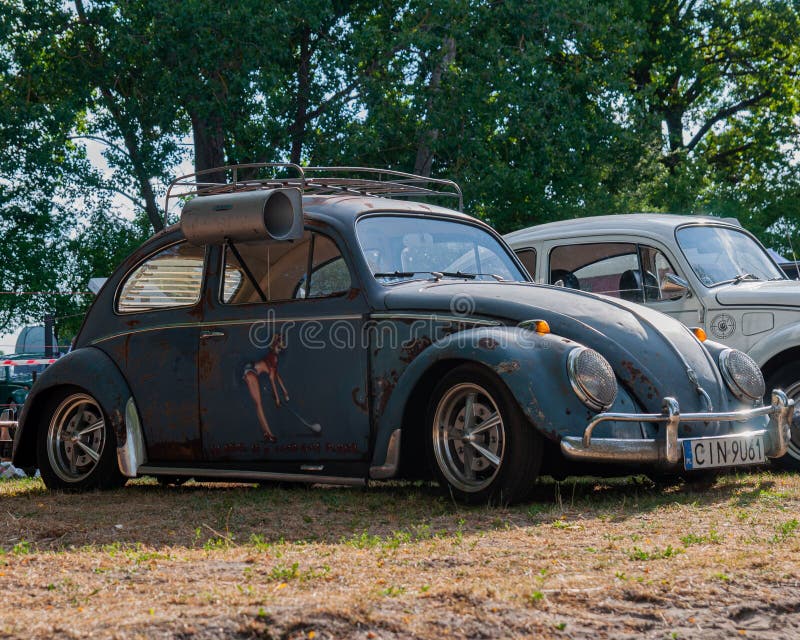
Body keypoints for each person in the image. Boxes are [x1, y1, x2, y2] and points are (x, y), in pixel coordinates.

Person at [242, 334, 289, 442]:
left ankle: (266, 434)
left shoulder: (274, 359)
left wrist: (285, 391)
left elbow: (277, 376)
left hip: (250, 370)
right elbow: (272, 380)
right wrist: (277, 398)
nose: (280, 350)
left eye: (281, 348)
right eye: (278, 347)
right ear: (274, 346)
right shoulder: (273, 358)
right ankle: (269, 434)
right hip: (250, 372)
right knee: (258, 404)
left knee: (258, 404)